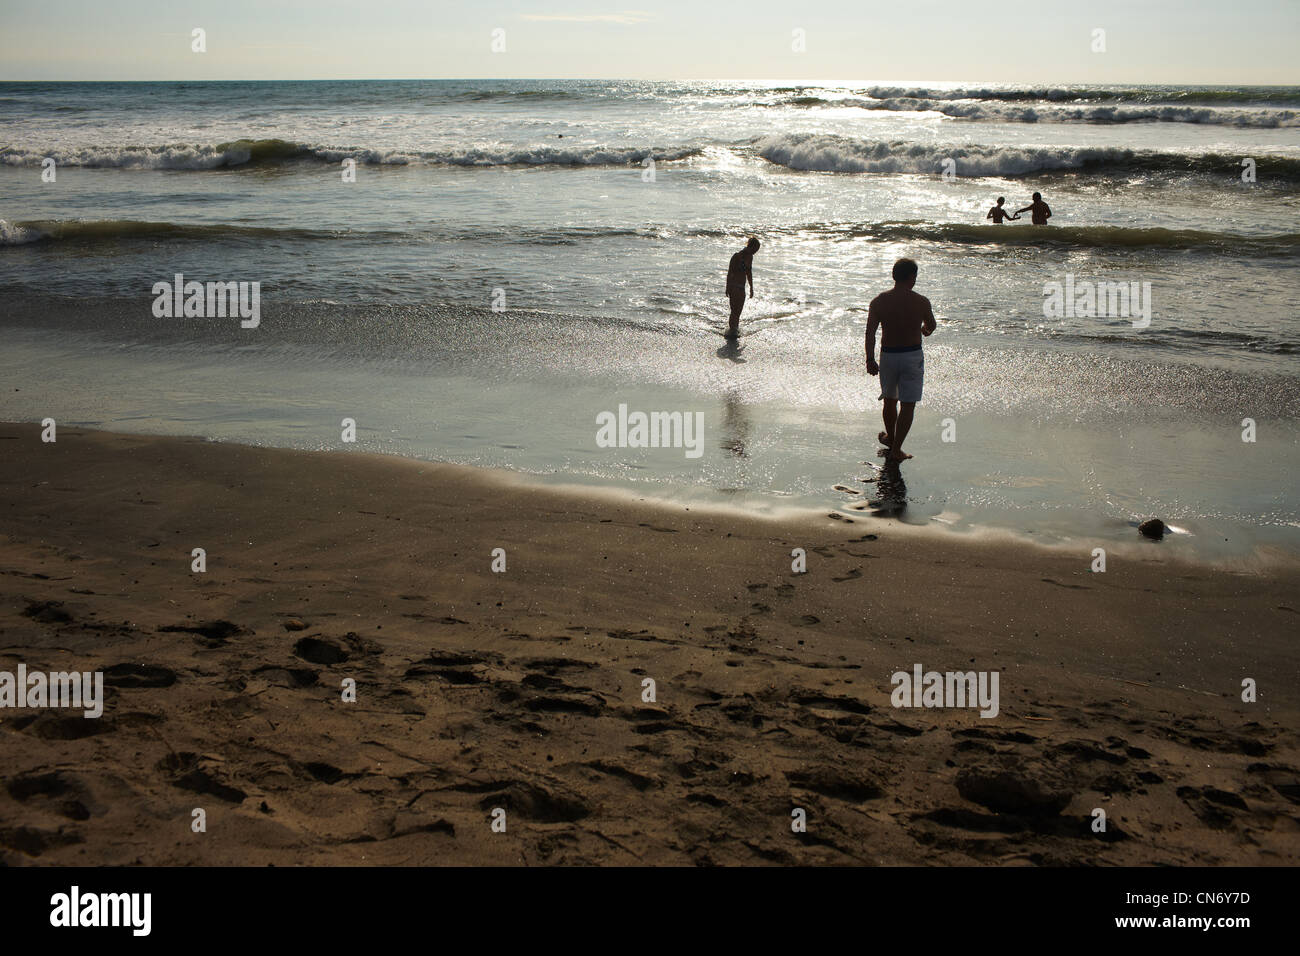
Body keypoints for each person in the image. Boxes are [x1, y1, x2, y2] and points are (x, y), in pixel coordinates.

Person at [865, 258, 936, 461]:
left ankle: (892, 439)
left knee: (889, 400)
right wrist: (925, 330)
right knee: (908, 404)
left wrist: (869, 359)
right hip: (912, 355)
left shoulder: (879, 301)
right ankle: (896, 448)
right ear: (912, 277)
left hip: (888, 355)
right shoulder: (921, 301)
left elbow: (870, 333)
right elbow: (931, 325)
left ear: (894, 276)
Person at [725, 237, 760, 338]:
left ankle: (732, 331)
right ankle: (733, 332)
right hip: (737, 288)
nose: (755, 252)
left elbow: (732, 273)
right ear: (752, 246)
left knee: (735, 311)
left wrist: (727, 287)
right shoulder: (743, 257)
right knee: (736, 312)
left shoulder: (742, 256)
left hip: (736, 287)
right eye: (755, 249)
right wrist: (751, 288)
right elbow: (746, 273)